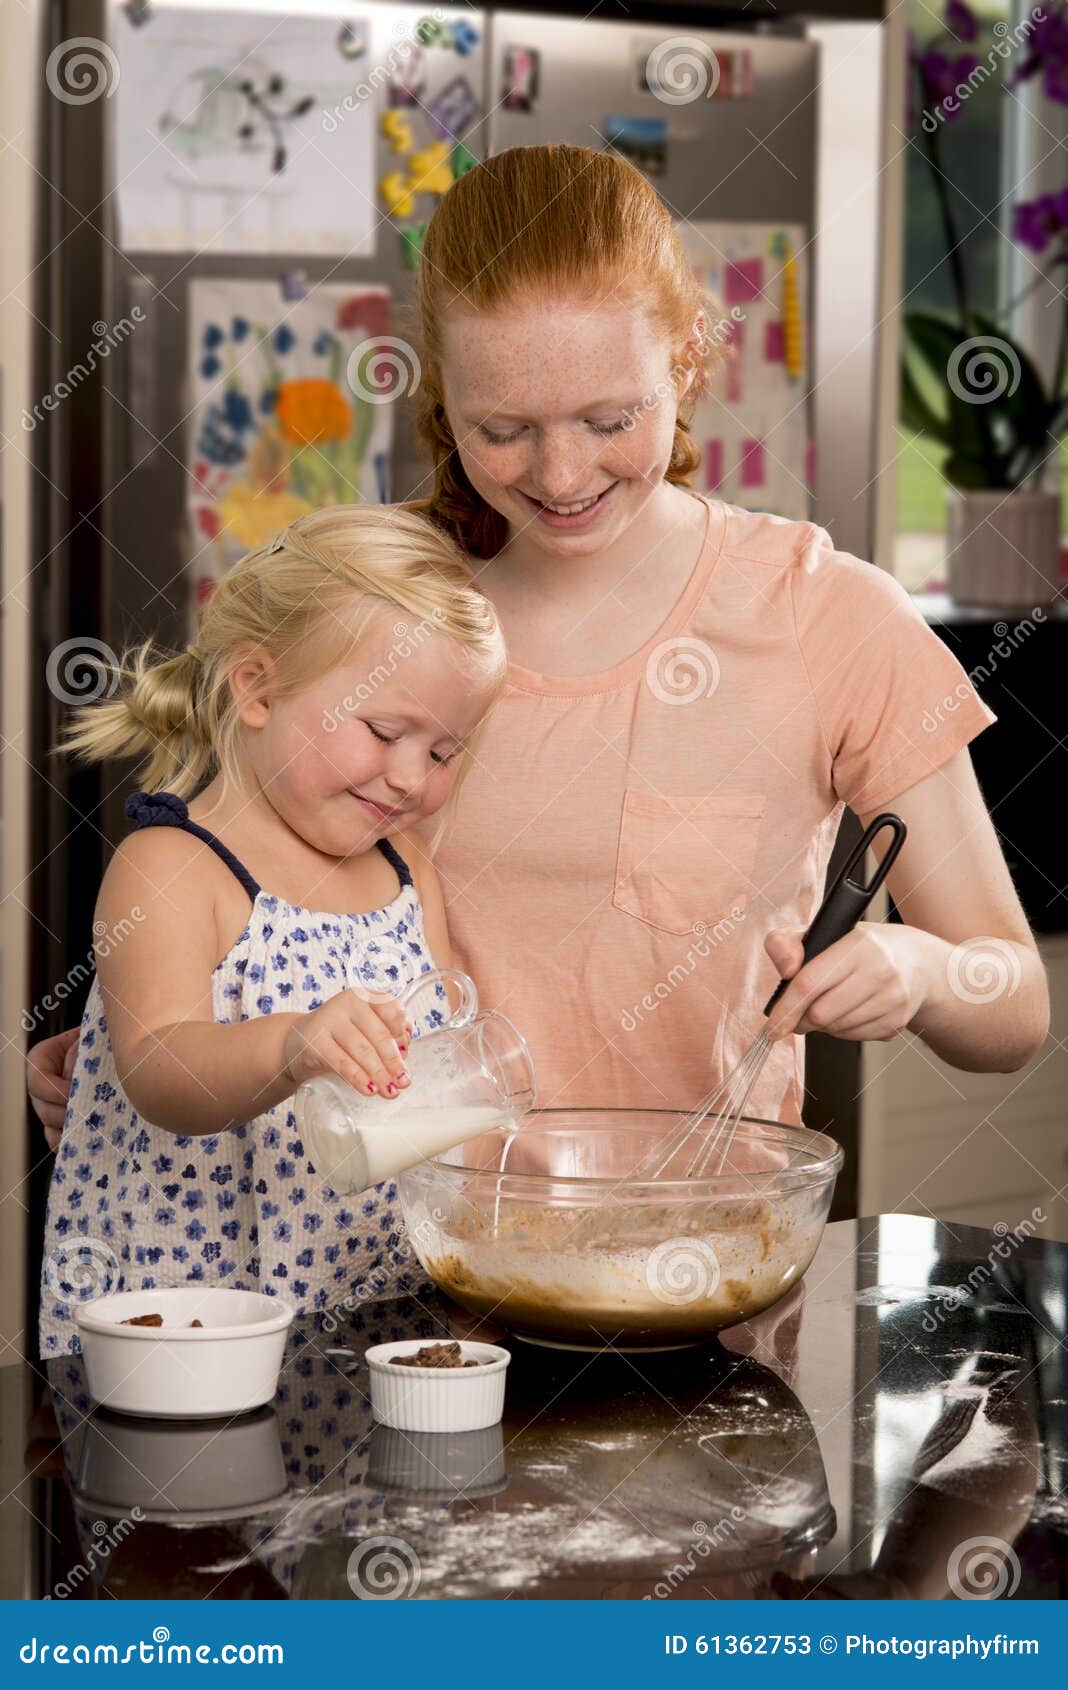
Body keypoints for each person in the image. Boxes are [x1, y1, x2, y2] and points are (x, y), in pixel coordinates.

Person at [30, 145, 1048, 1162]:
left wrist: (922, 972)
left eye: (611, 420)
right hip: (396, 1250)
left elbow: (1014, 1005)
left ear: (687, 358)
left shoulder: (829, 616)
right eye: (503, 429)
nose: (561, 476)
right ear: (443, 394)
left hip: (696, 1244)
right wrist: (147, 1043)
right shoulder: (368, 599)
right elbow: (227, 885)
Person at [36, 506, 506, 1354]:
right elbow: (160, 1073)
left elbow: (434, 1061)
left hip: (378, 1301)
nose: (412, 778)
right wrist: (292, 1046)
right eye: (385, 732)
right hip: (193, 1319)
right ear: (256, 688)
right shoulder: (172, 867)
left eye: (444, 753)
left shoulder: (406, 872)